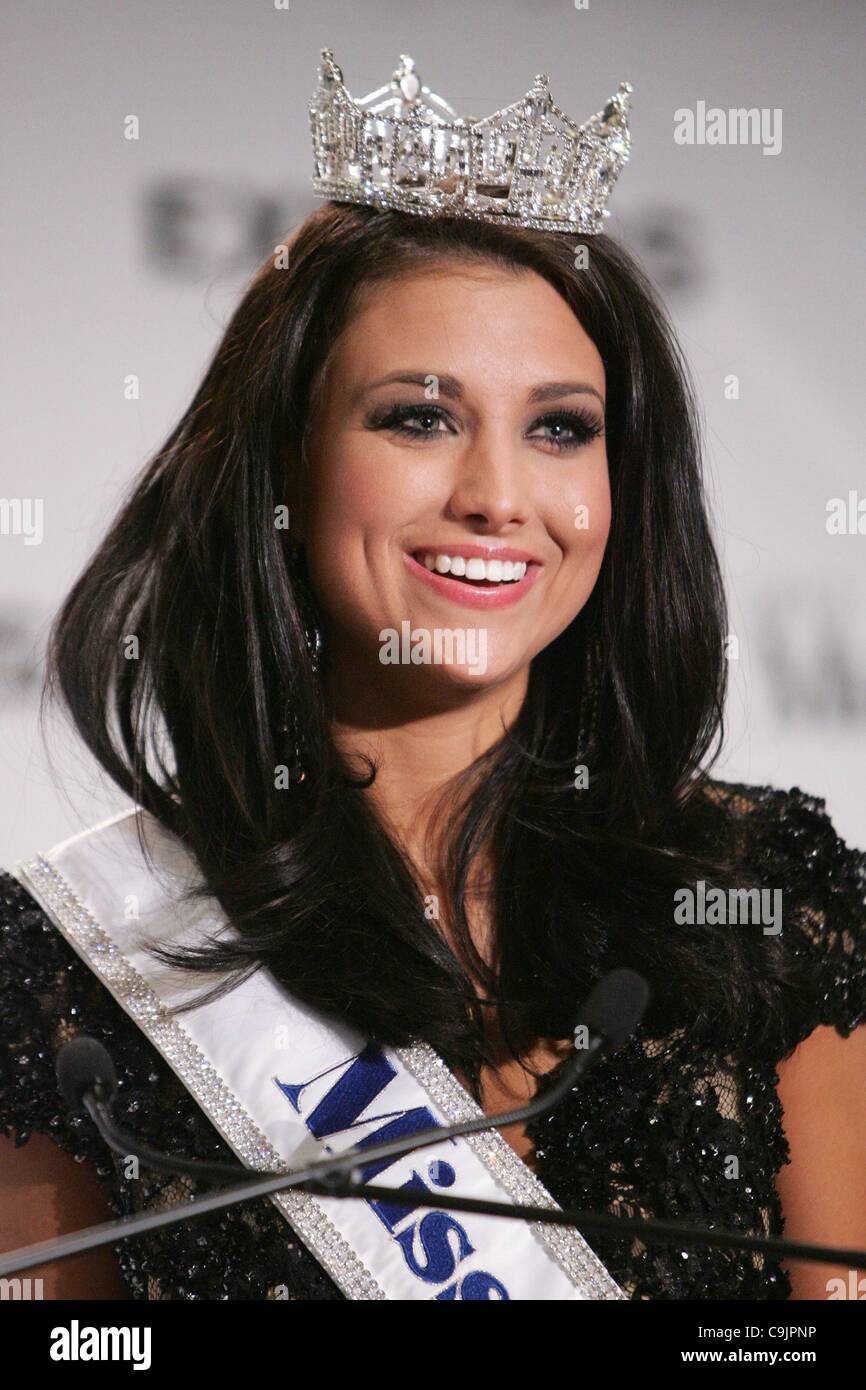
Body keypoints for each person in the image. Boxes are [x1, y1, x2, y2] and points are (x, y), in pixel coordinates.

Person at [1, 51, 864, 1302]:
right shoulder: (72, 967)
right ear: (280, 472)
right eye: (417, 416)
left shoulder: (760, 901)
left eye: (560, 428)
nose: (496, 498)